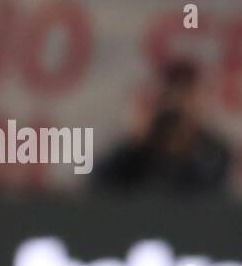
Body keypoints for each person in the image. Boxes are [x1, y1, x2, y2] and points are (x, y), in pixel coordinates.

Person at [95, 59, 232, 195]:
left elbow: (208, 187)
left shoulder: (214, 152)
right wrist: (136, 142)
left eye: (187, 94)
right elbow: (99, 181)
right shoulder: (137, 151)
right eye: (172, 93)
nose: (179, 104)